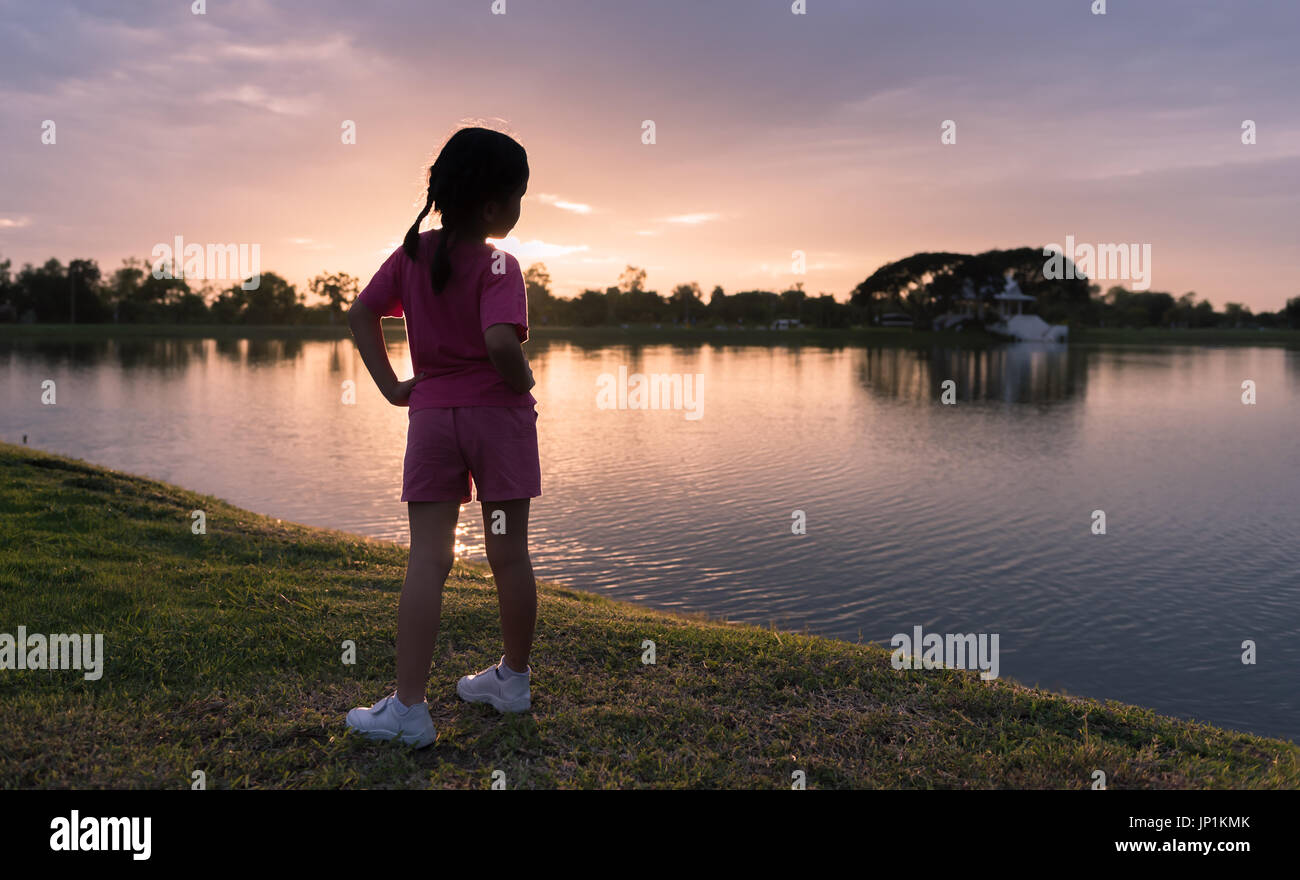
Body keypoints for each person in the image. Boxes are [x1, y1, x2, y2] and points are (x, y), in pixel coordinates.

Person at [345, 126, 539, 748]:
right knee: (507, 553)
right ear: (491, 206)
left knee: (428, 558)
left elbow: (360, 312)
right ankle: (512, 679)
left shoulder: (411, 256)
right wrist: (523, 376)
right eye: (518, 197)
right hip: (497, 423)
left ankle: (409, 709)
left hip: (431, 419)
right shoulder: (501, 264)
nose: (519, 209)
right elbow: (500, 341)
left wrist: (391, 385)